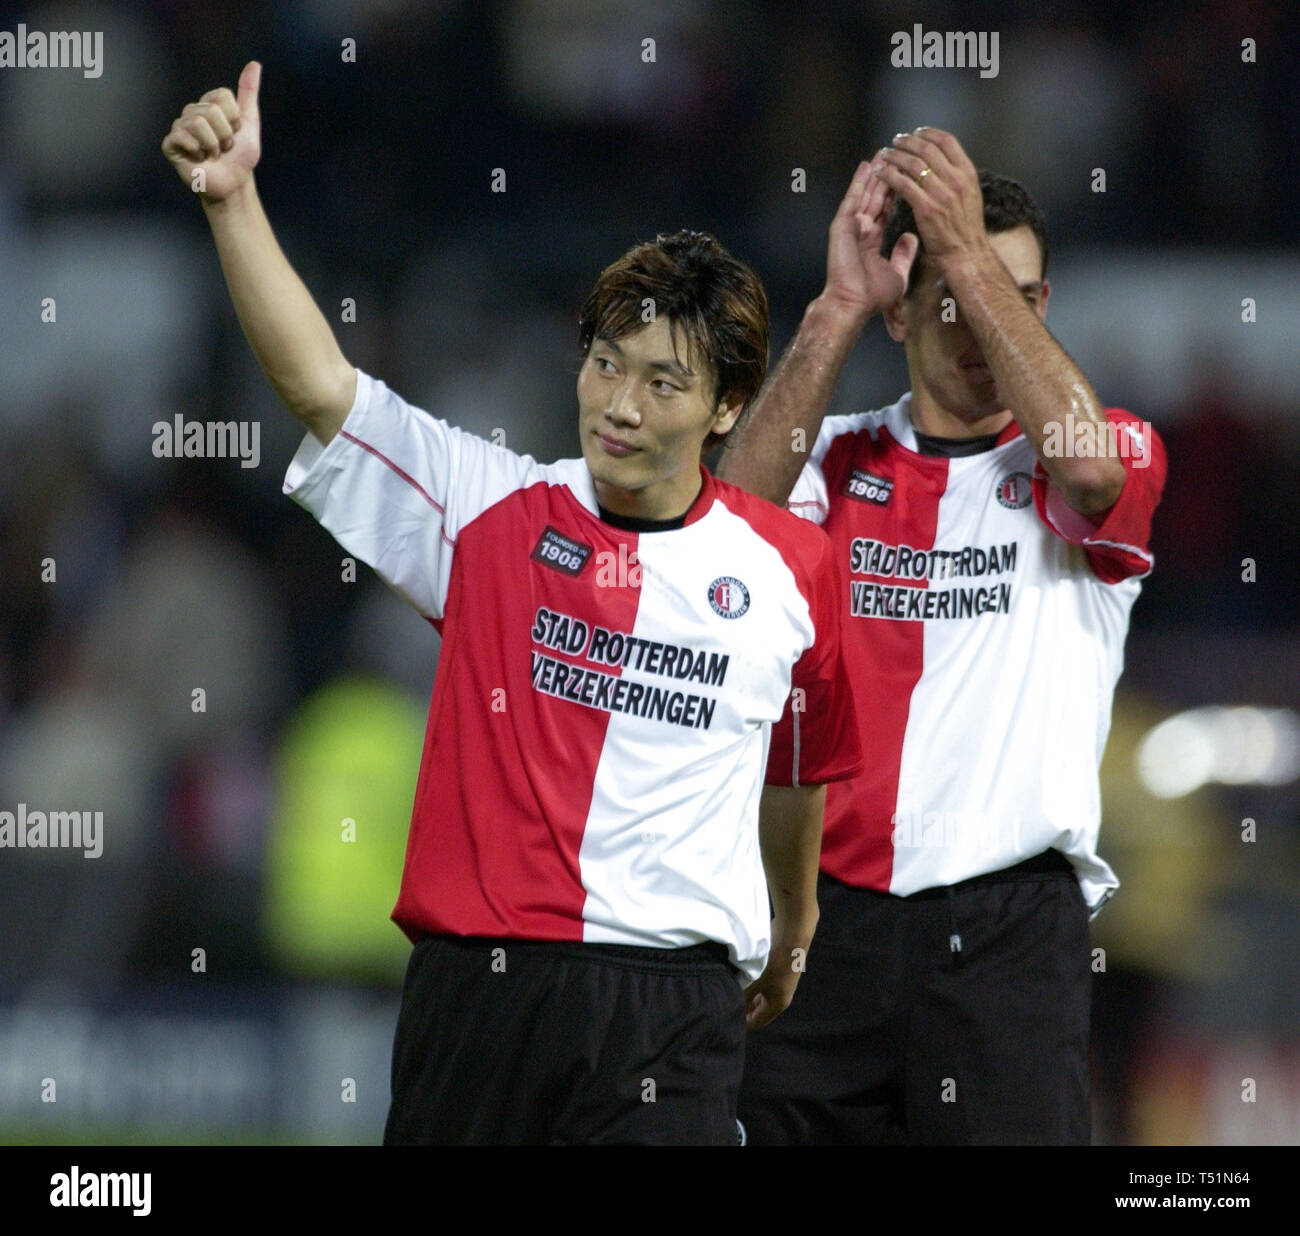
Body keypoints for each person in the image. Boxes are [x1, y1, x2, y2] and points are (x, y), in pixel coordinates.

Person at [161, 61, 863, 1146]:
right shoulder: (486, 510)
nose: (619, 406)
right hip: (477, 1001)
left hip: (670, 1012)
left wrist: (798, 919)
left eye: (662, 382)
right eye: (603, 364)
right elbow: (317, 385)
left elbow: (800, 761)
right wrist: (233, 200)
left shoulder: (792, 568)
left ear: (727, 405)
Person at [718, 127, 1167, 1145]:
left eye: (1011, 295)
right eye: (952, 297)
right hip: (814, 927)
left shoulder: (1105, 453)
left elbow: (1091, 471)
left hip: (1007, 941)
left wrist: (964, 254)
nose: (979, 325)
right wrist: (836, 308)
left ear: (1039, 306)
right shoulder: (826, 458)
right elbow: (714, 539)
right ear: (900, 310)